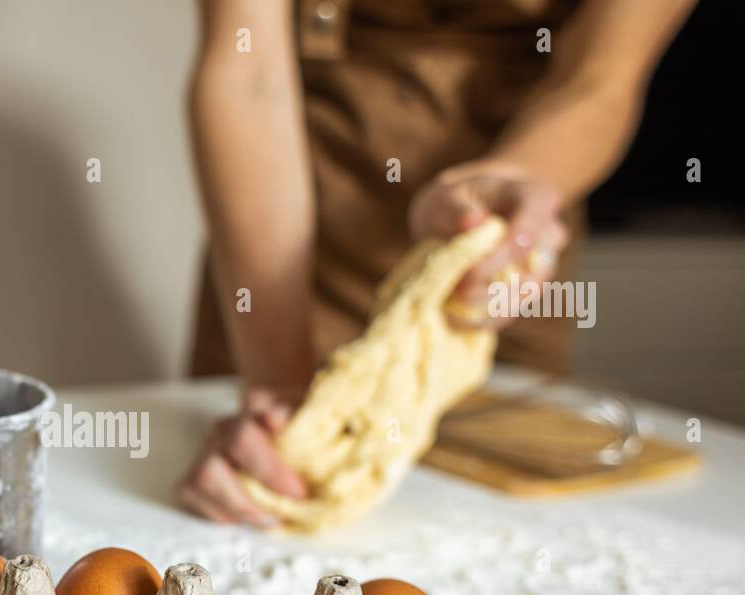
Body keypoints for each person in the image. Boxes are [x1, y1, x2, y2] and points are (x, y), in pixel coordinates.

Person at [176, 0, 695, 526]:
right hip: (285, 251)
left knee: (498, 530)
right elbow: (250, 72)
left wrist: (510, 192)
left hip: (507, 259)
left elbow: (598, 80)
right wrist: (278, 392)